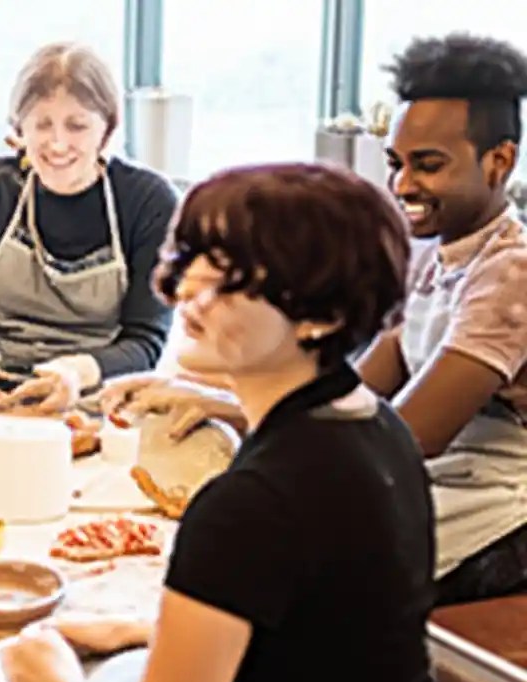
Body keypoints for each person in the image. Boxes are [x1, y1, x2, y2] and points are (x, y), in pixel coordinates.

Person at [0, 164, 442, 682]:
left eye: (226, 278)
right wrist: (146, 631)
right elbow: (324, 633)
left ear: (321, 315)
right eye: (191, 263)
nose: (188, 294)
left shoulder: (249, 505)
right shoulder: (376, 429)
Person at [105, 33, 527, 605]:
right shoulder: (428, 251)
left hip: (500, 511)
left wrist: (247, 411)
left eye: (428, 166)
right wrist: (219, 400)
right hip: (428, 472)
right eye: (396, 164)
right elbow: (358, 398)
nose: (403, 185)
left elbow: (401, 438)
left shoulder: (511, 273)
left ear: (499, 160)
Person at [0, 42, 177, 411]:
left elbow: (145, 342)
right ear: (19, 129)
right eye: (42, 125)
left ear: (107, 129)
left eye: (76, 126)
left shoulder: (149, 201)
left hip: (99, 393)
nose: (58, 143)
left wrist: (76, 371)